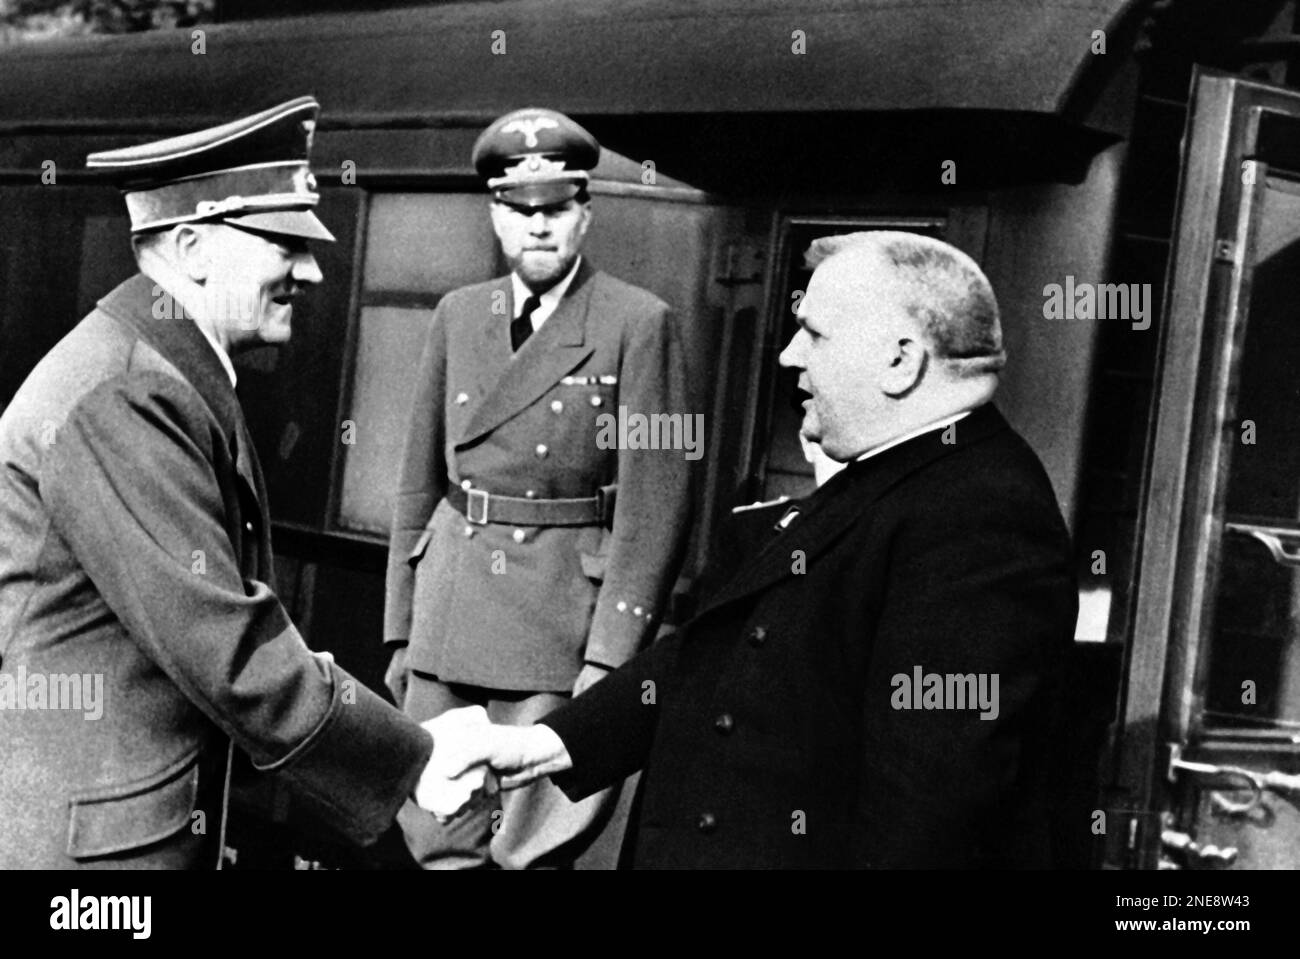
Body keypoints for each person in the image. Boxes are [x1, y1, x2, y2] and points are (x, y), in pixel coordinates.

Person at [433, 231, 1079, 868]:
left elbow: (926, 821)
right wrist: (541, 745)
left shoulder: (984, 519)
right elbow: (710, 655)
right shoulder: (893, 472)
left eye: (815, 334)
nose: (789, 356)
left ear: (900, 361)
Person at [0, 97, 479, 869]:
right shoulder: (126, 394)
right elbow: (228, 647)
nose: (313, 269)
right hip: (85, 860)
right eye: (284, 243)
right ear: (191, 246)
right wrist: (412, 758)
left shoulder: (159, 372)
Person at [384, 107, 693, 869]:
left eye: (556, 210)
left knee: (531, 848)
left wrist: (610, 656)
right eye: (519, 213)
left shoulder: (636, 322)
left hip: (556, 626)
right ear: (495, 218)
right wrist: (400, 626)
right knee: (435, 829)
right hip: (449, 613)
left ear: (585, 214)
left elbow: (654, 508)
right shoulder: (460, 315)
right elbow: (417, 481)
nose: (538, 229)